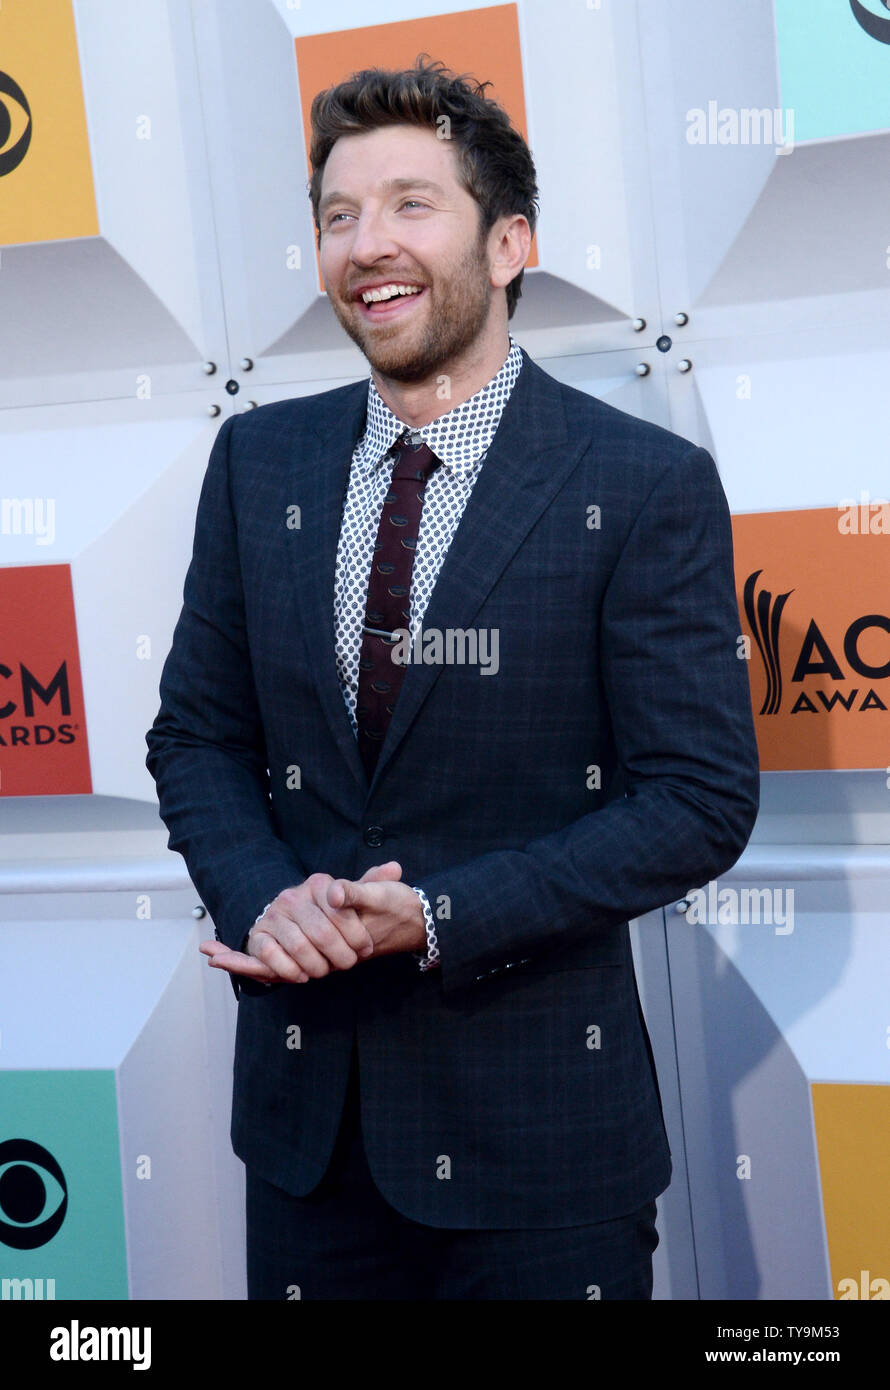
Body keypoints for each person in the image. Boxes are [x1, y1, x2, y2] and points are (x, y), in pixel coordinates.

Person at [145, 57, 759, 1301]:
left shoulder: (638, 483)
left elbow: (694, 795)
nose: (367, 244)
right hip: (307, 1144)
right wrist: (271, 902)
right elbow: (197, 737)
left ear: (510, 241)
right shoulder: (256, 463)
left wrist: (441, 916)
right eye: (336, 215)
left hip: (539, 1155)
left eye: (411, 204)